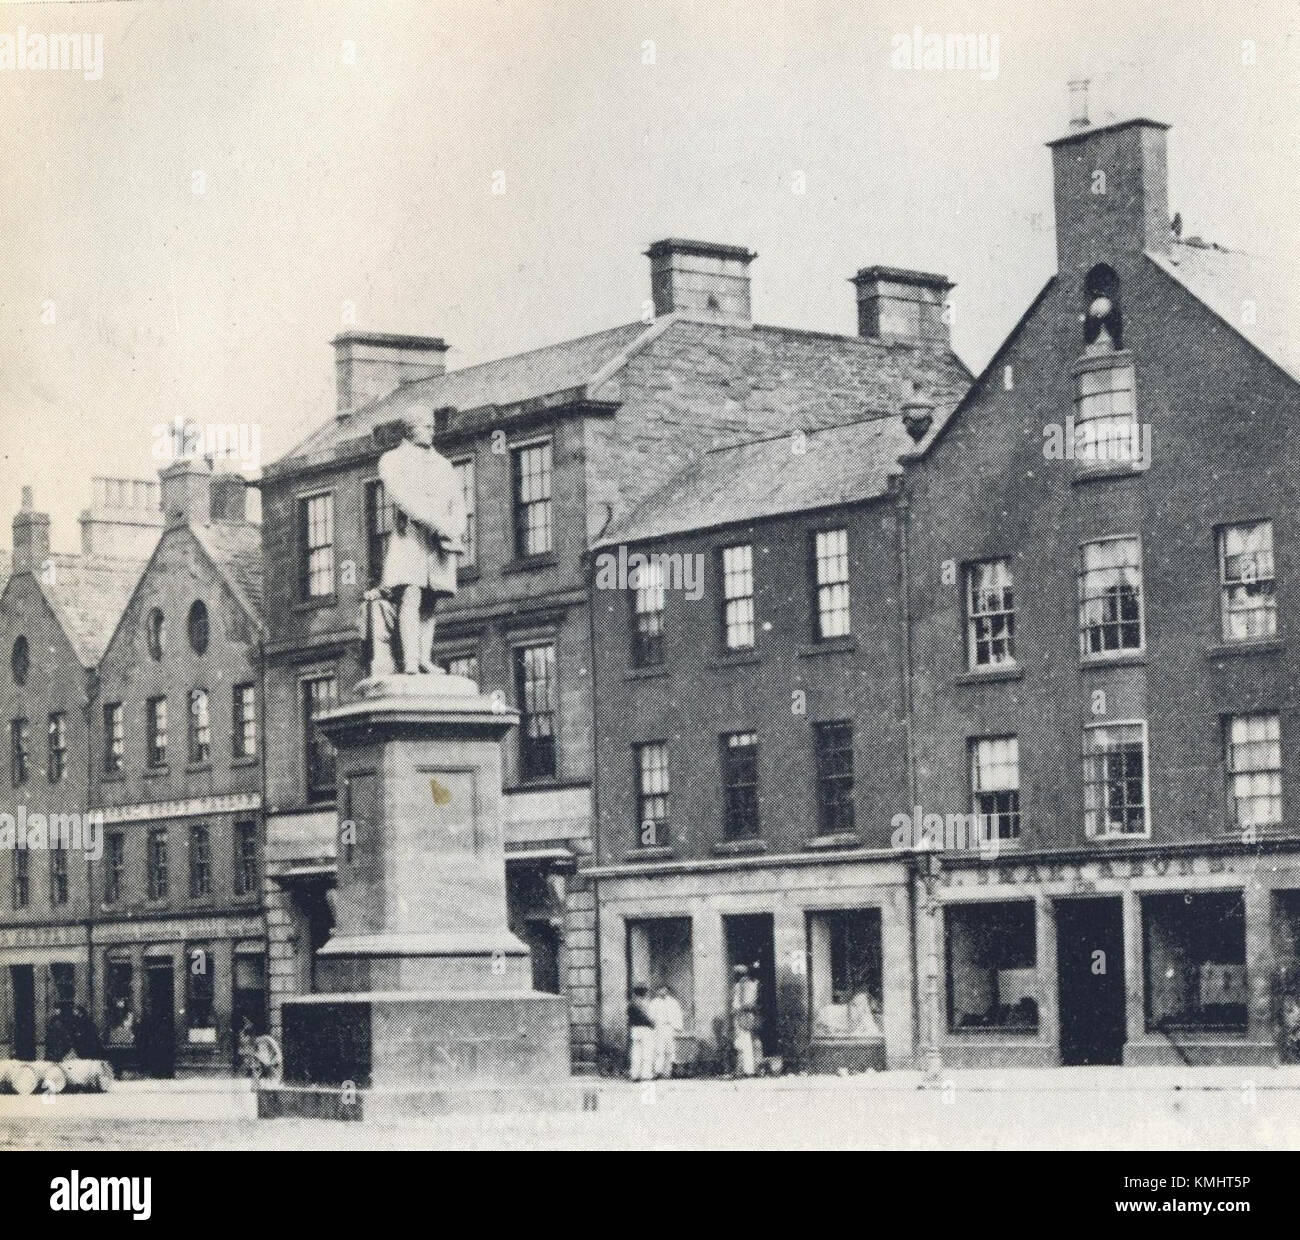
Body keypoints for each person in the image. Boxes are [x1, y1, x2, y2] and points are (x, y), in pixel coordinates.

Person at [368, 404, 466, 676]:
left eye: (433, 426)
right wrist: (439, 525)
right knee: (410, 594)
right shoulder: (391, 460)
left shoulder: (443, 465)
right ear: (410, 429)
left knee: (430, 601)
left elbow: (458, 503)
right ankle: (411, 661)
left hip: (439, 544)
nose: (432, 431)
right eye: (427, 426)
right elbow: (404, 499)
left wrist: (455, 529)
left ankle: (424, 658)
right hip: (410, 537)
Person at [730, 964, 759, 1077]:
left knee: (744, 1042)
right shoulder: (751, 985)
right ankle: (745, 1068)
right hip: (745, 1016)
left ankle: (747, 1069)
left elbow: (744, 1004)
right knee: (745, 1042)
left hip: (743, 1016)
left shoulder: (742, 986)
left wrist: (737, 1010)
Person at [650, 984, 684, 1079]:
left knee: (669, 1050)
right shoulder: (654, 1003)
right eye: (660, 990)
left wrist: (678, 1027)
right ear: (657, 991)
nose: (662, 992)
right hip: (659, 1028)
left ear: (667, 991)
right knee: (659, 1050)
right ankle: (658, 1071)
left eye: (664, 990)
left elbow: (678, 1015)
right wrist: (653, 1028)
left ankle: (667, 1072)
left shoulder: (673, 1002)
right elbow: (651, 1017)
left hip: (670, 1028)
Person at [627, 985, 655, 1081]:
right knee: (647, 1052)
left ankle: (635, 1074)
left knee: (636, 1052)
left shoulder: (631, 1003)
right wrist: (652, 1023)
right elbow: (645, 1018)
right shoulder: (642, 1004)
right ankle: (646, 1074)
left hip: (635, 1029)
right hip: (645, 1029)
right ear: (644, 993)